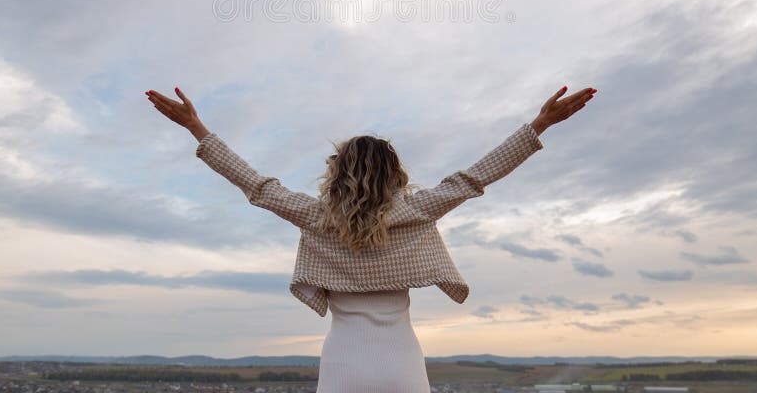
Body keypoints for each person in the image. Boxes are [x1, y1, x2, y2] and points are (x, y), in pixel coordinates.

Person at [145, 83, 597, 392]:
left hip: (343, 364)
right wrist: (537, 126)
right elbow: (475, 177)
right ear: (394, 175)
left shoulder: (316, 218)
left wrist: (197, 130)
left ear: (335, 174)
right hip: (402, 363)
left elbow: (257, 186)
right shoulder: (416, 211)